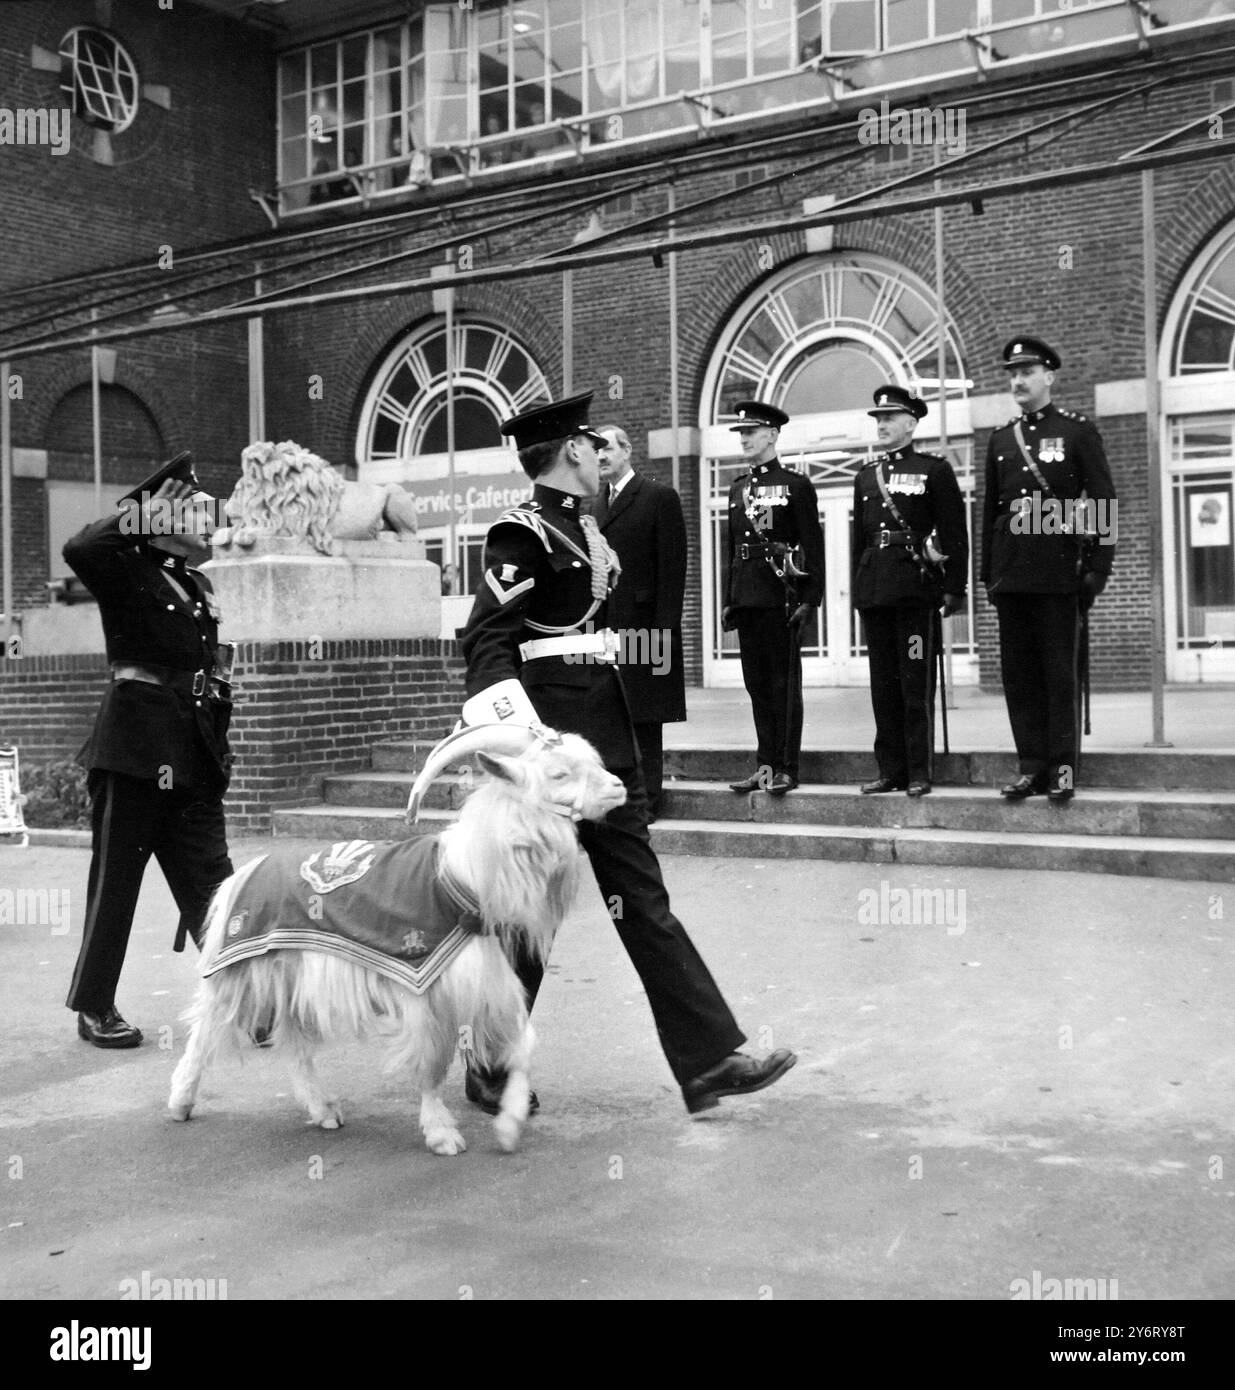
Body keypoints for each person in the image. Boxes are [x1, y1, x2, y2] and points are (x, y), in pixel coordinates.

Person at [459, 390, 797, 1116]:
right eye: (590, 443)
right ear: (571, 451)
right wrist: (523, 744)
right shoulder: (523, 533)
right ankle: (486, 1060)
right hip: (554, 757)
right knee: (529, 913)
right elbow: (485, 638)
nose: (597, 453)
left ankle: (707, 1062)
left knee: (641, 900)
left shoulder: (585, 526)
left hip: (607, 743)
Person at [63, 454, 235, 1048]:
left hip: (192, 751)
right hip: (134, 751)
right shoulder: (125, 570)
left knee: (214, 885)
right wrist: (136, 516)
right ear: (160, 520)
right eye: (196, 510)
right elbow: (80, 548)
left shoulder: (197, 584)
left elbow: (210, 676)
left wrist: (217, 748)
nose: (211, 521)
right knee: (116, 884)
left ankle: (242, 996)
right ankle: (94, 1005)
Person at [981, 336, 1117, 801]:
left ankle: (1062, 772)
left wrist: (1098, 567)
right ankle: (1031, 767)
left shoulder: (1077, 432)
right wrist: (988, 574)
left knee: (1059, 676)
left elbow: (1103, 499)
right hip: (1012, 574)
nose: (1018, 380)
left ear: (1049, 376)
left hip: (1058, 572)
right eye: (1012, 374)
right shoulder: (1001, 439)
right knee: (1019, 677)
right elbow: (991, 511)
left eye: (1027, 372)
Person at [852, 386, 969, 798]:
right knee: (883, 686)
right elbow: (860, 541)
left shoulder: (933, 470)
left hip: (916, 595)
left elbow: (954, 532)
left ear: (911, 423)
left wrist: (954, 588)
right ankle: (891, 770)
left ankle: (919, 770)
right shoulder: (866, 476)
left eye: (890, 418)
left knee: (915, 682)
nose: (882, 424)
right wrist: (859, 591)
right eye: (878, 419)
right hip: (877, 595)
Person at [721, 401, 824, 795]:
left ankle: (787, 768)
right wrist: (730, 599)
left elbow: (811, 546)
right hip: (748, 598)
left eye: (751, 432)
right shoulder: (737, 488)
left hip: (781, 599)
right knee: (757, 687)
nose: (744, 439)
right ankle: (765, 767)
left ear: (772, 435)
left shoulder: (795, 485)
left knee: (783, 686)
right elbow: (733, 549)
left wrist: (810, 600)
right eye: (741, 433)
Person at [592, 424, 687, 821]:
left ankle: (648, 801)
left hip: (645, 625)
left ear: (627, 450)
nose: (601, 456)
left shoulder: (657, 497)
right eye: (596, 451)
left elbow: (672, 571)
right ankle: (622, 799)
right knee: (612, 713)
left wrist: (663, 633)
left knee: (645, 717)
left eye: (608, 449)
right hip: (606, 628)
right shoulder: (596, 506)